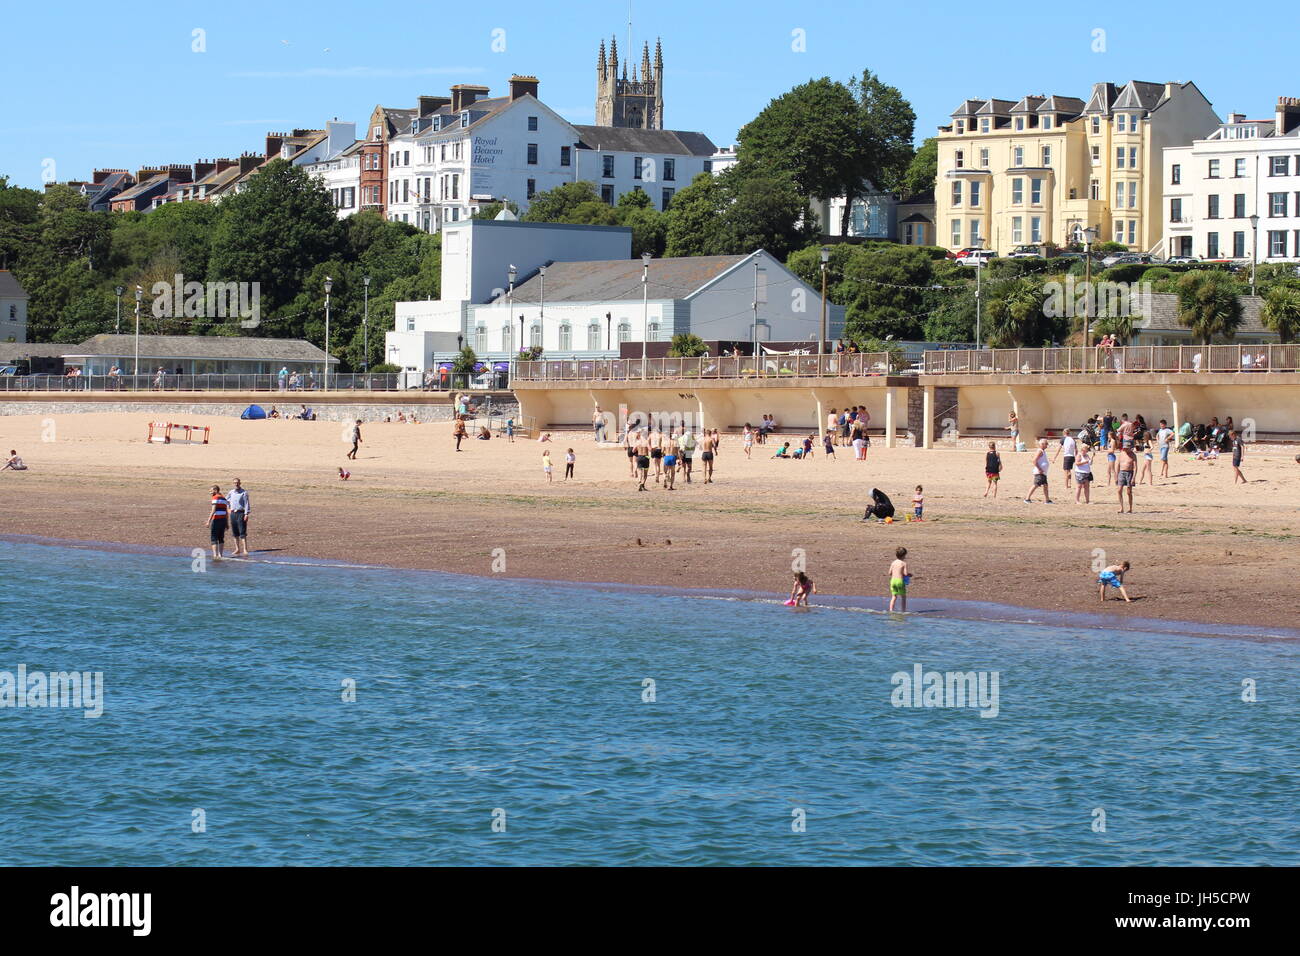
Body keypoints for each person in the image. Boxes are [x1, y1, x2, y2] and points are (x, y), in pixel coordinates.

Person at [227, 478, 250, 557]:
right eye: (234, 483)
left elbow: (247, 504)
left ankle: (245, 549)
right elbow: (227, 500)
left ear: (240, 483)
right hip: (233, 513)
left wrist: (246, 514)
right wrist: (228, 508)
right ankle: (237, 549)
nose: (236, 484)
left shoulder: (244, 492)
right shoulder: (231, 492)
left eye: (237, 483)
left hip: (241, 513)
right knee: (235, 532)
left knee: (242, 532)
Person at [1025, 439, 1053, 503]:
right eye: (1046, 444)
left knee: (1045, 485)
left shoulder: (1042, 451)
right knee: (1036, 485)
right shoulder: (1040, 451)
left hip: (1043, 472)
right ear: (1042, 444)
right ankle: (1027, 499)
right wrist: (1039, 469)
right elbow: (1034, 461)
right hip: (1039, 472)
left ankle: (1047, 500)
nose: (1047, 445)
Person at [207, 485, 229, 560]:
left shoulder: (215, 497)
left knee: (214, 538)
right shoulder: (224, 498)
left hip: (216, 520)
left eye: (211, 491)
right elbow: (226, 512)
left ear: (216, 490)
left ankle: (215, 555)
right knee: (221, 538)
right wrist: (227, 523)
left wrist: (208, 521)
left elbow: (213, 510)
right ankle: (220, 555)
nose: (210, 492)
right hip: (223, 520)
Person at [1116, 442, 1137, 513]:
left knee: (1129, 492)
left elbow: (1135, 467)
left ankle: (1130, 508)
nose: (1125, 449)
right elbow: (1118, 465)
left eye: (1127, 448)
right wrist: (1116, 476)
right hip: (1121, 472)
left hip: (1129, 473)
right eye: (1124, 448)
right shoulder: (1121, 454)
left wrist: (1134, 478)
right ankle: (1121, 507)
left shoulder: (1133, 455)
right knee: (1119, 490)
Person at [888, 547, 910, 613]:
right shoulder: (903, 563)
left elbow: (889, 573)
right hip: (900, 581)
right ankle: (903, 611)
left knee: (894, 596)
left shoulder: (893, 562)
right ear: (904, 555)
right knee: (903, 597)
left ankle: (891, 610)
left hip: (893, 581)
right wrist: (909, 575)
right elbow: (905, 573)